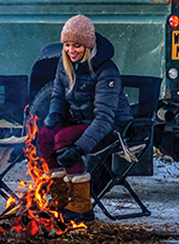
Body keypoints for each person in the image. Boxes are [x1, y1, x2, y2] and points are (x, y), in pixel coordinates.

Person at [38, 15, 133, 223]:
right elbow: (57, 95)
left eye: (77, 46)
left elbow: (104, 119)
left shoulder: (106, 71)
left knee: (63, 138)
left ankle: (82, 205)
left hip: (111, 126)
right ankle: (60, 197)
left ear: (88, 46)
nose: (71, 50)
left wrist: (80, 148)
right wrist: (55, 114)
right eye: (67, 45)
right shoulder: (65, 63)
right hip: (81, 120)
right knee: (45, 135)